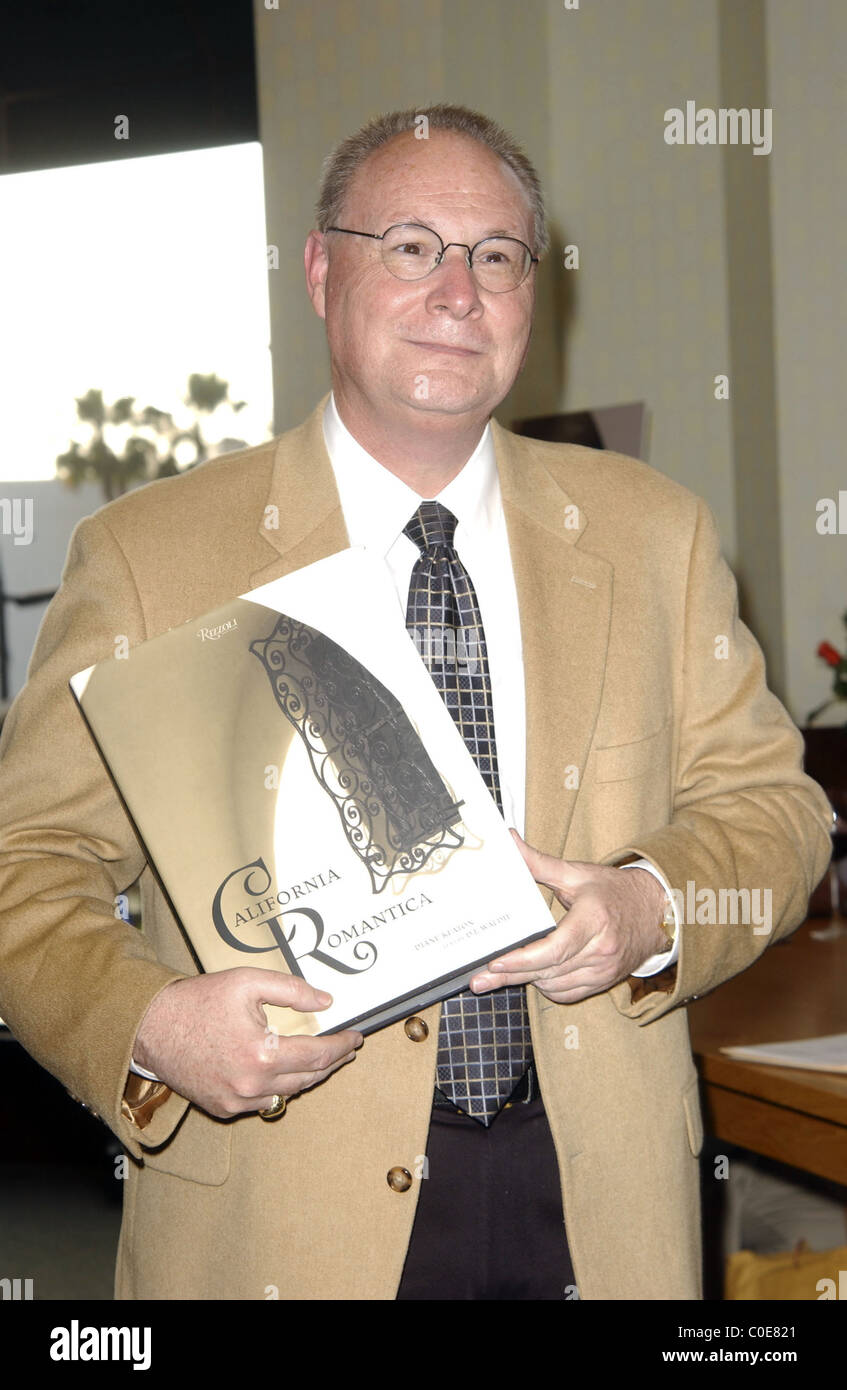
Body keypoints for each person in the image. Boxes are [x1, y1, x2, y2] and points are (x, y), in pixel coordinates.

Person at [0, 104, 831, 1301]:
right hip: (282, 1211)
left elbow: (774, 808)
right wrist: (151, 1023)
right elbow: (29, 860)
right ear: (322, 269)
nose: (459, 291)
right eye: (410, 245)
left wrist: (646, 908)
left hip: (599, 1204)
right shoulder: (147, 554)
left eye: (496, 256)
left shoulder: (657, 534)